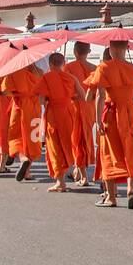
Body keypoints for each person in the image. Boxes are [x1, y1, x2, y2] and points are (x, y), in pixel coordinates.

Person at [83, 39, 133, 208]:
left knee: (109, 152)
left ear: (110, 49)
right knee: (130, 148)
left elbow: (100, 96)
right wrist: (127, 90)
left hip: (110, 113)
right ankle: (131, 189)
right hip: (129, 113)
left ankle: (111, 197)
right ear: (127, 48)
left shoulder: (104, 68)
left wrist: (97, 120)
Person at [36, 52, 85, 192]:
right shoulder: (71, 78)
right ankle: (74, 168)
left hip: (53, 113)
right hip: (68, 113)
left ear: (50, 64)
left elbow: (41, 100)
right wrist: (69, 97)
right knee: (67, 142)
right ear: (63, 64)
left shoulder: (46, 77)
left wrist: (49, 99)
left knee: (54, 146)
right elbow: (82, 96)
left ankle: (60, 181)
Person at [0, 61, 43, 182]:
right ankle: (27, 171)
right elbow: (44, 91)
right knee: (32, 138)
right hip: (35, 108)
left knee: (16, 136)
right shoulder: (40, 72)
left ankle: (23, 158)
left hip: (19, 105)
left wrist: (17, 93)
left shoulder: (14, 72)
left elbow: (5, 91)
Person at [66, 41, 98, 187]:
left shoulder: (69, 67)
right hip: (90, 107)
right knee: (84, 138)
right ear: (89, 51)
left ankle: (84, 176)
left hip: (76, 107)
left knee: (78, 141)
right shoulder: (95, 68)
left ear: (74, 51)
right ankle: (78, 170)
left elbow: (66, 89)